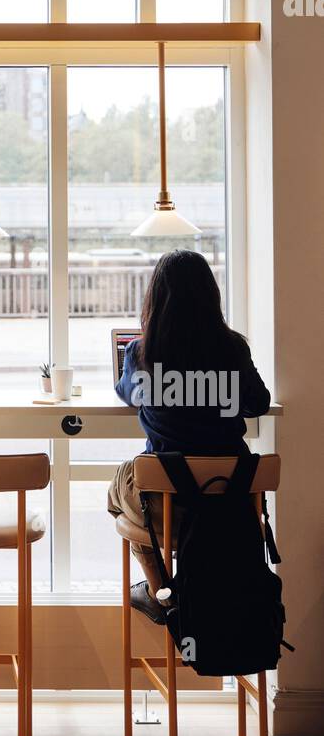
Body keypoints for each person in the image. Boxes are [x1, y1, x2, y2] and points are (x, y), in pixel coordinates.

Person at [107, 249, 271, 624]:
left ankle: (161, 593)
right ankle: (194, 587)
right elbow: (258, 403)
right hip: (230, 506)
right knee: (138, 482)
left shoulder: (142, 352)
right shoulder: (233, 348)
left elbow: (127, 394)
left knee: (120, 488)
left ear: (155, 299)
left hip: (169, 510)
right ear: (211, 297)